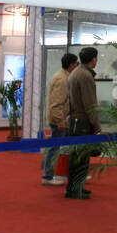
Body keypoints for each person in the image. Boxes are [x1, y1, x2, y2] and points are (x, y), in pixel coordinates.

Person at [65, 46, 100, 200]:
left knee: (76, 157)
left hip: (74, 120)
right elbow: (90, 103)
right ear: (94, 59)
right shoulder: (86, 76)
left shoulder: (75, 73)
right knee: (81, 158)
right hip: (83, 122)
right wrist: (96, 124)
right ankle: (75, 189)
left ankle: (75, 187)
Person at [41, 53, 78, 185]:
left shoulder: (64, 76)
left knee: (61, 147)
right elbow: (56, 103)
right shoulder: (62, 80)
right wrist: (60, 121)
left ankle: (65, 174)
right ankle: (47, 176)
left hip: (63, 119)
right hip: (59, 120)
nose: (77, 66)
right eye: (76, 64)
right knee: (54, 148)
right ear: (71, 65)